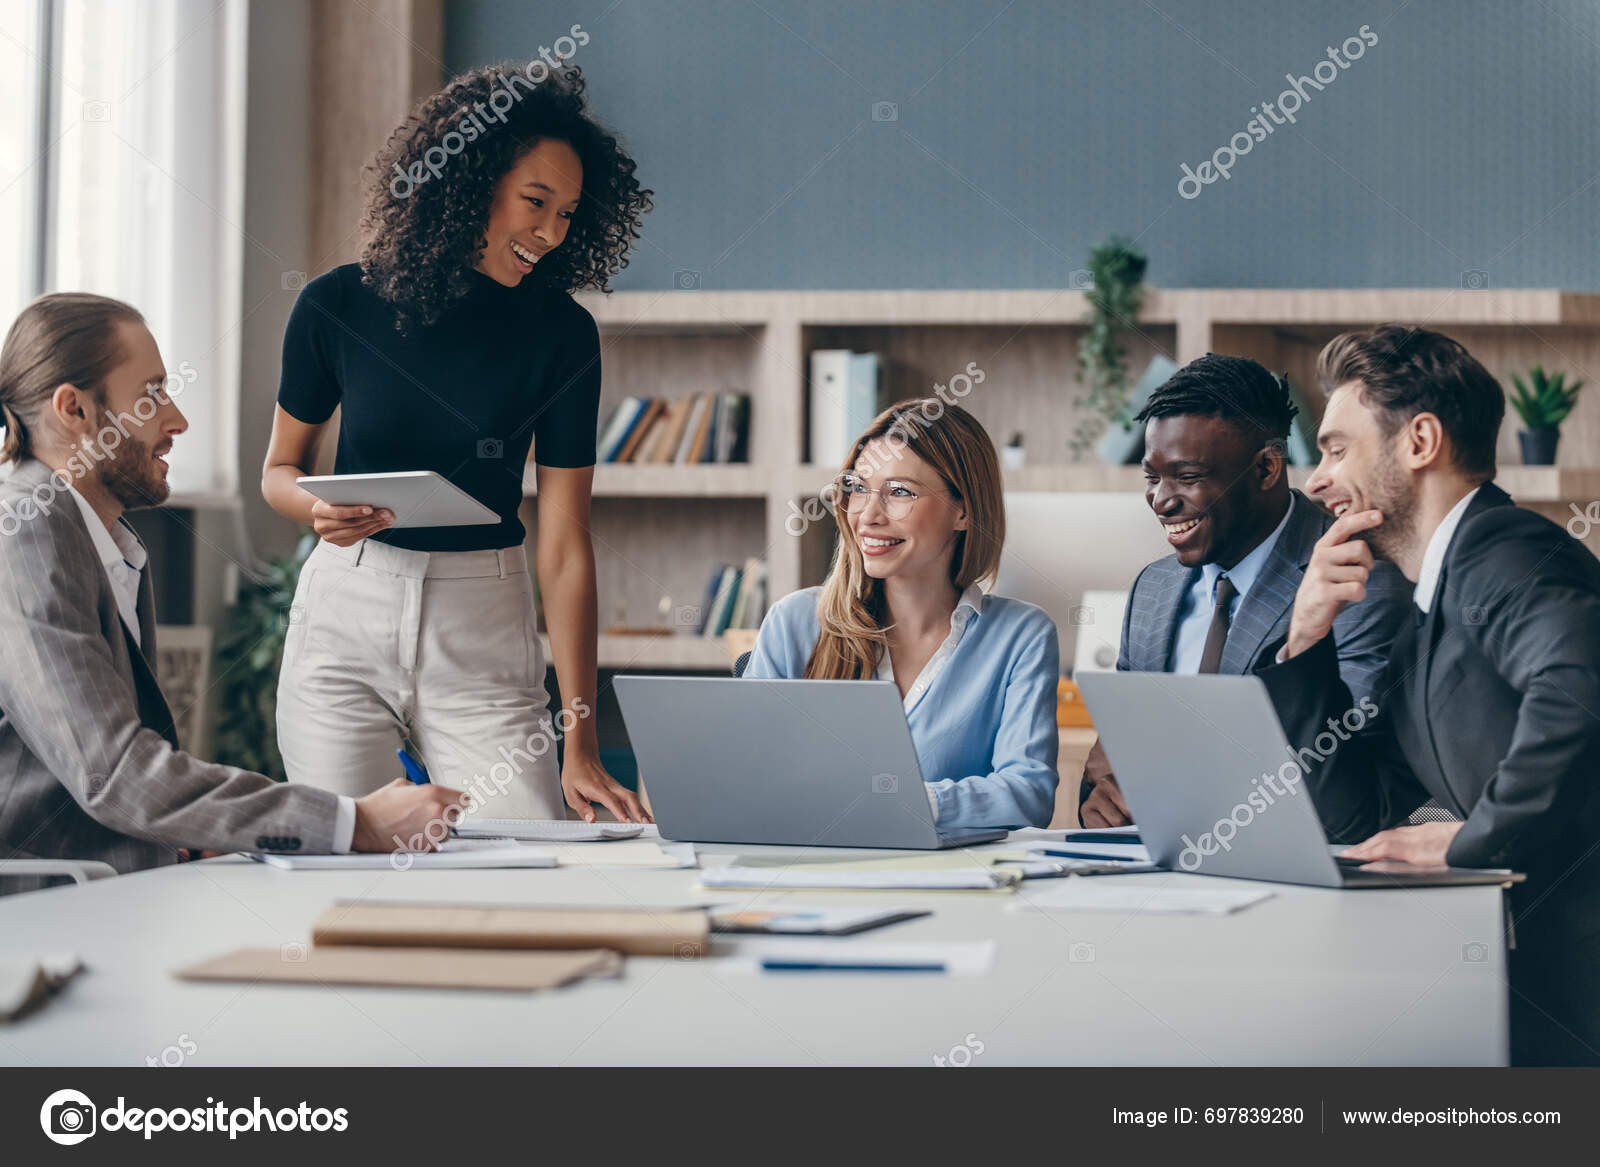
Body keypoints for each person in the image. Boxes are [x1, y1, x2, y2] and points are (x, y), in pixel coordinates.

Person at [262, 65, 652, 824]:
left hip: (482, 622)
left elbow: (566, 548)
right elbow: (281, 470)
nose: (550, 233)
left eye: (569, 213)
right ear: (467, 182)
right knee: (348, 856)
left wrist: (581, 741)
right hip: (345, 610)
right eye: (535, 202)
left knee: (524, 854)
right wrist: (314, 510)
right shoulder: (336, 303)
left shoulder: (563, 335)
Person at [0, 294, 460, 893]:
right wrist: (354, 821)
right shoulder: (26, 534)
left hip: (112, 878)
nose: (177, 420)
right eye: (152, 393)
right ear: (75, 410)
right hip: (43, 906)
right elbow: (114, 774)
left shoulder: (100, 539)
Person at [1254, 323, 1600, 1065]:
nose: (1315, 479)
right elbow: (1359, 808)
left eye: (1337, 447)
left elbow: (1579, 686)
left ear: (1420, 441)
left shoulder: (1505, 549)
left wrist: (1476, 837)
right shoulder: (1427, 613)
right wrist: (1305, 640)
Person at [1079, 354, 1411, 828]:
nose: (1161, 500)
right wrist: (1099, 803)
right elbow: (1110, 763)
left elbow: (1347, 782)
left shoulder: (1356, 578)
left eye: (1187, 476)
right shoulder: (1153, 588)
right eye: (1152, 478)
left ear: (1266, 469)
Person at [745, 400, 1058, 830]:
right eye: (858, 487)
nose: (868, 515)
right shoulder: (794, 623)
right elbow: (747, 780)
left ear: (963, 511)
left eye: (899, 493)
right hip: (815, 881)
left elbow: (1028, 796)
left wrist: (893, 801)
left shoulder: (1021, 635)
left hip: (957, 887)